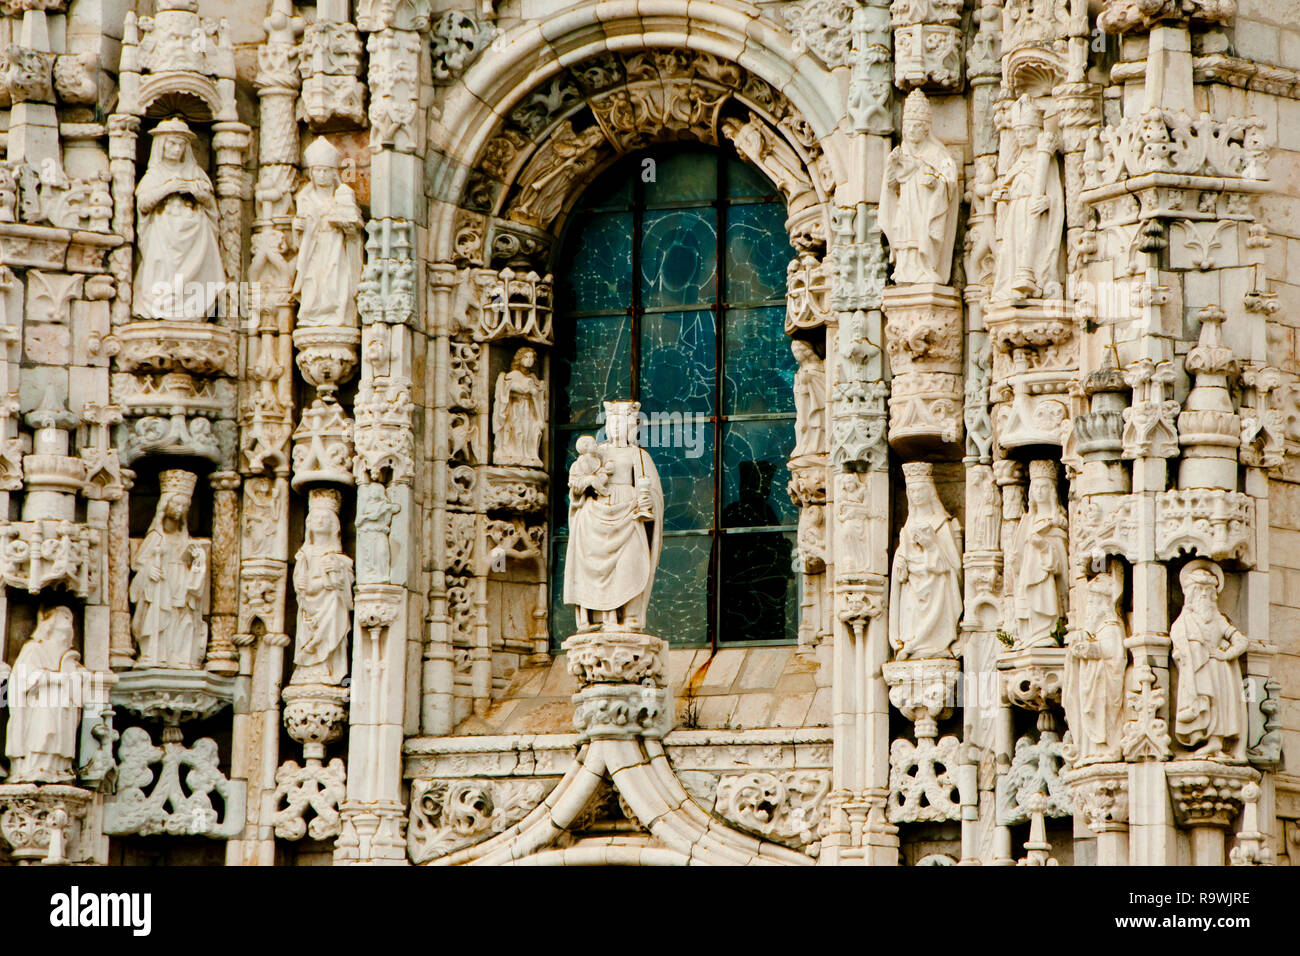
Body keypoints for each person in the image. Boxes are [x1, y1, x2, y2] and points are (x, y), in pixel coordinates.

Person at [563, 401, 663, 631]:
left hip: (628, 513)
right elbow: (577, 481)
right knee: (593, 565)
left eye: (622, 422)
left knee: (632, 561)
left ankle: (629, 616)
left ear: (631, 426)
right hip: (594, 516)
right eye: (613, 422)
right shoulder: (596, 452)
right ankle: (598, 618)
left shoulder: (637, 454)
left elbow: (650, 487)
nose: (617, 428)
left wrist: (647, 500)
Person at [133, 118, 225, 320]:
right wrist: (168, 188)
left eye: (181, 144)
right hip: (164, 234)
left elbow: (210, 204)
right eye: (172, 143)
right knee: (161, 270)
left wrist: (198, 193)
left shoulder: (195, 172)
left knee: (193, 273)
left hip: (194, 235)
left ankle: (193, 308)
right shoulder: (154, 174)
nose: (176, 149)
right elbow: (143, 204)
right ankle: (161, 307)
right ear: (161, 145)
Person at [880, 90, 960, 285]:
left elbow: (950, 179)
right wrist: (891, 166)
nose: (911, 130)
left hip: (926, 207)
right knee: (904, 235)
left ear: (926, 130)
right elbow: (890, 186)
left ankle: (926, 268)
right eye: (908, 126)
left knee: (924, 234)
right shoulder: (901, 154)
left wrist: (936, 181)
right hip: (906, 205)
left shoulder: (937, 153)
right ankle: (904, 270)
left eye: (917, 126)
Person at [130, 469, 208, 668]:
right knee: (159, 616)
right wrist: (149, 571)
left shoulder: (186, 539)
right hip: (160, 583)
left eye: (185, 504)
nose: (181, 508)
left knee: (181, 616)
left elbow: (196, 564)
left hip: (181, 581)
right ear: (165, 505)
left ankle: (179, 655)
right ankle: (153, 654)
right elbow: (138, 563)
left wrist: (199, 561)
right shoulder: (156, 537)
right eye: (177, 503)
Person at [1171, 560, 1248, 760]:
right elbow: (1177, 641)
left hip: (1218, 670)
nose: (1204, 594)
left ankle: (1216, 742)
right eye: (1199, 590)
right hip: (1196, 670)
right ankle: (1202, 738)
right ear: (1190, 594)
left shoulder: (1218, 619)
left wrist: (1226, 654)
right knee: (1202, 702)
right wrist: (1181, 654)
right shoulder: (1185, 620)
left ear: (1214, 593)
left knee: (1219, 707)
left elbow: (1241, 641)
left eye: (1208, 589)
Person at [889, 463, 962, 659]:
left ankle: (935, 645)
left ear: (929, 492)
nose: (916, 494)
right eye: (912, 491)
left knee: (941, 588)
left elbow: (954, 567)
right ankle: (913, 644)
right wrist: (900, 563)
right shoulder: (907, 526)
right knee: (912, 610)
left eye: (920, 490)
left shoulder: (943, 523)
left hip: (938, 583)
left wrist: (931, 546)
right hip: (914, 586)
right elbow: (901, 559)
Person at [5, 607, 84, 783]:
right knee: (44, 730)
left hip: (63, 703)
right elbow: (24, 677)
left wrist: (77, 676)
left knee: (60, 733)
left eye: (70, 618)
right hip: (40, 701)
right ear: (51, 623)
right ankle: (34, 767)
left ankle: (58, 768)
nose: (68, 622)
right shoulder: (34, 648)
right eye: (64, 617)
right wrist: (56, 678)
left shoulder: (68, 654)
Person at [293, 137, 364, 328]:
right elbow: (298, 239)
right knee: (313, 282)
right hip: (314, 249)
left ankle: (339, 314)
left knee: (334, 282)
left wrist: (348, 227)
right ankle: (310, 316)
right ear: (312, 174)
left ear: (333, 173)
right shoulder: (305, 199)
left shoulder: (342, 196)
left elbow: (354, 230)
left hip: (335, 246)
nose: (322, 175)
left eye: (326, 170)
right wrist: (298, 229)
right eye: (318, 171)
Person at [291, 490, 354, 686]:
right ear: (308, 522)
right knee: (307, 630)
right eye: (315, 517)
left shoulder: (340, 558)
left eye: (325, 517)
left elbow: (345, 589)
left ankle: (330, 667)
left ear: (334, 523)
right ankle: (308, 668)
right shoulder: (304, 554)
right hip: (309, 608)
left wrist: (337, 575)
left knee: (335, 603)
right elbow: (300, 584)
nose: (319, 521)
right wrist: (303, 586)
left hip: (330, 605)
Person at [492, 347, 546, 467]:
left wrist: (537, 389)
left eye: (532, 357)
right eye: (526, 357)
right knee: (517, 430)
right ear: (519, 359)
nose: (529, 360)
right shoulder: (513, 375)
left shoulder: (532, 377)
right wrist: (524, 389)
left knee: (528, 430)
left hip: (528, 409)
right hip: (516, 408)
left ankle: (527, 454)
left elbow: (538, 392)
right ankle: (513, 453)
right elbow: (506, 389)